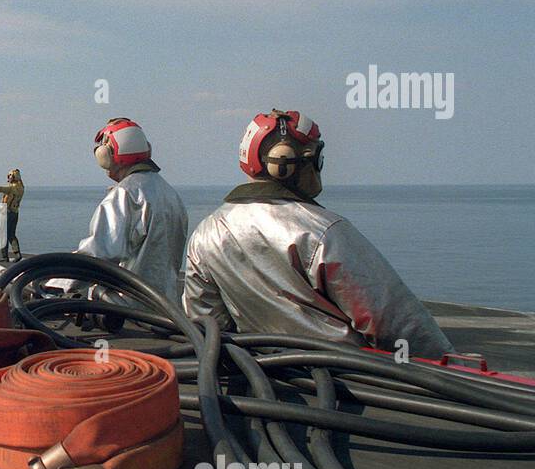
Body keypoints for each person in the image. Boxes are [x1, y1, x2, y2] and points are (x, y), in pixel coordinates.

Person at [182, 109, 452, 357]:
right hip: (351, 382)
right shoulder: (324, 231)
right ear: (289, 164)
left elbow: (205, 320)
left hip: (266, 377)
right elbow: (390, 320)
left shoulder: (206, 233)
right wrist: (447, 366)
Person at [76, 117, 188, 301]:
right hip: (166, 309)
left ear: (109, 154)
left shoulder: (124, 195)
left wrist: (46, 281)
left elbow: (97, 257)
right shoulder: (170, 194)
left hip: (127, 309)